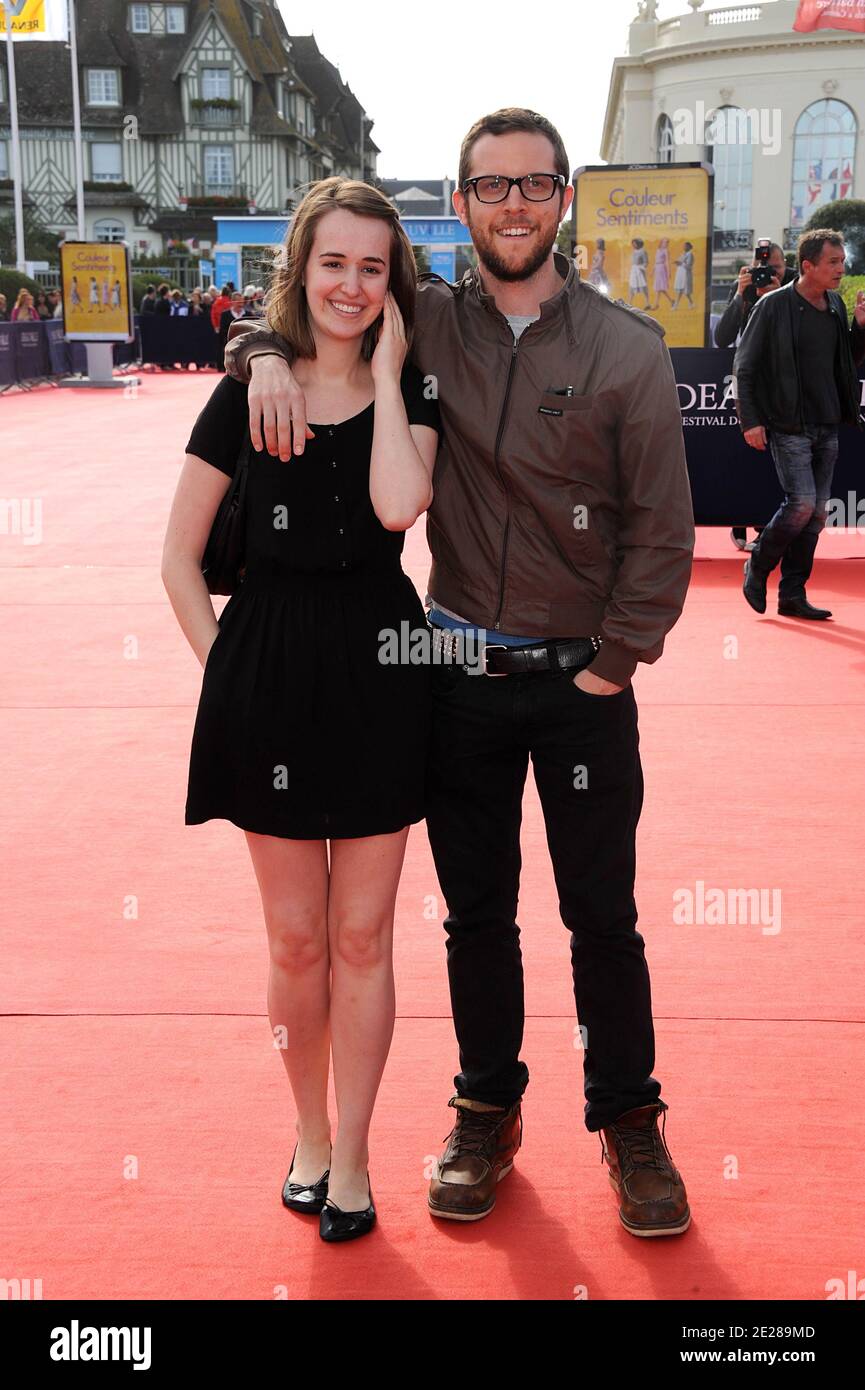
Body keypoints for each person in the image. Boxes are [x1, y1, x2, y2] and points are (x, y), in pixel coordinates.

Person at [223, 107, 696, 1237]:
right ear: (463, 202)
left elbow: (662, 529)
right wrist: (258, 356)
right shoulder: (428, 317)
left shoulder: (626, 347)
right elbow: (313, 302)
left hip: (583, 687)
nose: (513, 204)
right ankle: (485, 1111)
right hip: (454, 676)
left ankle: (629, 1120)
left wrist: (612, 664)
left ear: (563, 197)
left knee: (602, 917)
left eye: (533, 184)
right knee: (474, 918)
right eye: (491, 186)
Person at [161, 177, 440, 1244]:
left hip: (381, 675)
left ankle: (357, 1154)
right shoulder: (242, 393)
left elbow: (396, 507)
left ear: (393, 283)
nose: (352, 285)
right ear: (300, 268)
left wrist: (384, 378)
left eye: (373, 267)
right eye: (333, 263)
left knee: (362, 937)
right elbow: (178, 560)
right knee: (294, 942)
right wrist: (226, 672)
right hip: (267, 679)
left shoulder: (413, 392)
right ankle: (310, 1135)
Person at [737, 228, 865, 620]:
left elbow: (847, 361)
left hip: (828, 422)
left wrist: (861, 326)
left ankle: (792, 593)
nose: (841, 268)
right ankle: (758, 562)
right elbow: (745, 366)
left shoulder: (836, 304)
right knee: (802, 504)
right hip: (789, 422)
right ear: (808, 266)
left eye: (842, 261)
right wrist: (750, 420)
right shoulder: (773, 306)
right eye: (833, 262)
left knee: (818, 513)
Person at [716, 248, 796, 550]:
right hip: (747, 385)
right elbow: (722, 338)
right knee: (743, 456)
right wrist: (740, 296)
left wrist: (775, 298)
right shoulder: (745, 287)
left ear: (786, 266)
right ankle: (739, 520)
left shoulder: (794, 288)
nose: (767, 274)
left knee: (777, 462)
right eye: (761, 267)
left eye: (774, 267)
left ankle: (767, 527)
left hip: (782, 389)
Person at [651, 237, 673, 311]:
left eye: (667, 242)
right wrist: (652, 271)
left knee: (659, 288)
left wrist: (669, 272)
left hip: (662, 269)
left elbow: (667, 262)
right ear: (661, 242)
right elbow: (655, 261)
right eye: (665, 242)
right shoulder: (658, 250)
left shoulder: (666, 251)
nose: (666, 244)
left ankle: (656, 305)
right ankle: (671, 301)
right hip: (657, 269)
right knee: (661, 288)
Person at [627, 237, 649, 307]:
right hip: (634, 271)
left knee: (643, 287)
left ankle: (647, 303)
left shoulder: (643, 251)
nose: (633, 245)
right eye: (633, 244)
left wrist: (641, 267)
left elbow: (646, 262)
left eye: (635, 244)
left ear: (639, 244)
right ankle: (629, 303)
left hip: (640, 271)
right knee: (632, 286)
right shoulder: (634, 251)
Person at [672, 242, 694, 309]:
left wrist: (680, 263)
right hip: (680, 273)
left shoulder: (690, 255)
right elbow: (680, 261)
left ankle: (677, 305)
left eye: (685, 246)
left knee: (684, 291)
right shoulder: (683, 254)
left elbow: (689, 266)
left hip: (685, 274)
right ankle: (690, 303)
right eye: (683, 246)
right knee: (680, 290)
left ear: (689, 247)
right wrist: (677, 262)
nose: (684, 247)